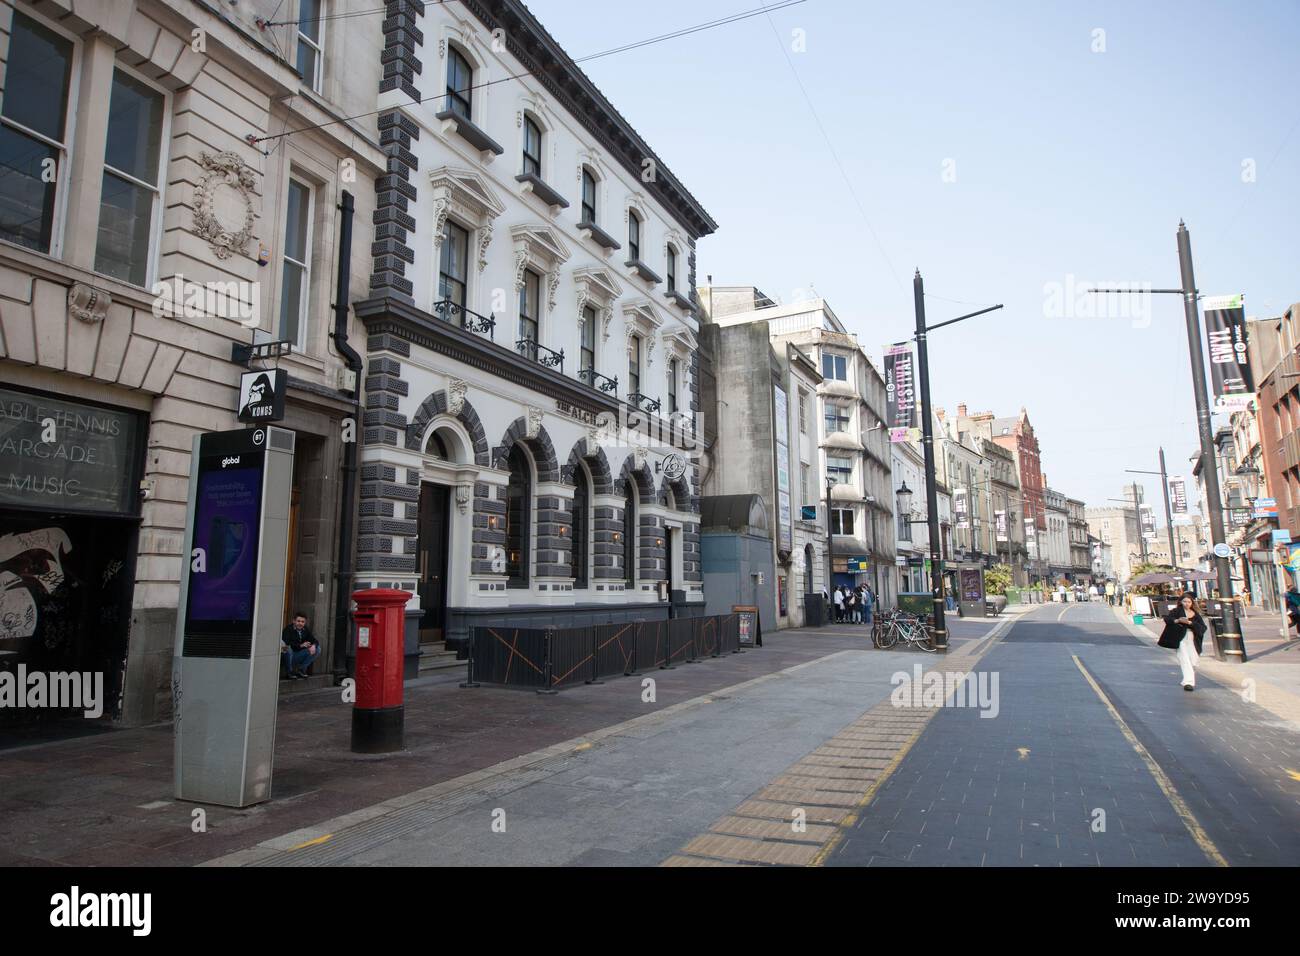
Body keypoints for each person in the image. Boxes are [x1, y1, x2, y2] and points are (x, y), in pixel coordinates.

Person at [1157, 593, 1207, 691]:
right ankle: (1189, 683)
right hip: (1180, 638)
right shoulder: (1176, 611)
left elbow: (1203, 627)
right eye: (1185, 601)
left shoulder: (1195, 614)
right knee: (1184, 659)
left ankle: (1187, 679)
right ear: (1181, 602)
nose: (1187, 604)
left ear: (1192, 603)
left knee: (1194, 660)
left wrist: (1190, 623)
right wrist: (1177, 621)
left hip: (1192, 638)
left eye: (1189, 602)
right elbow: (1168, 619)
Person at [281, 612, 320, 679]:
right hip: (286, 657)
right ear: (294, 621)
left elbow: (314, 640)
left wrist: (313, 645)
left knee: (318, 649)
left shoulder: (305, 629)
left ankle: (301, 669)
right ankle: (289, 672)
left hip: (297, 655)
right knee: (288, 648)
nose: (300, 623)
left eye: (302, 622)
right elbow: (286, 643)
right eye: (298, 621)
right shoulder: (288, 629)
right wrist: (300, 645)